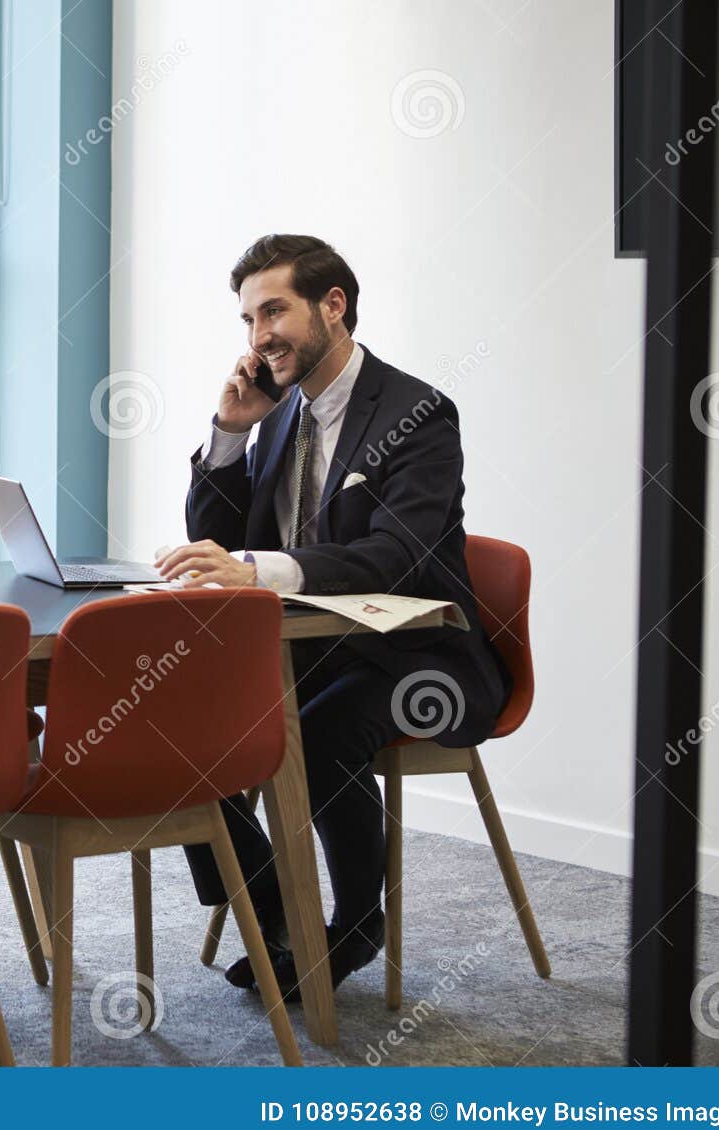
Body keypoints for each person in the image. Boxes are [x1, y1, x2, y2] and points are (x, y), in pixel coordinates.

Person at [156, 233, 509, 997]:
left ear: (333, 306)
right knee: (182, 713)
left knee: (315, 735)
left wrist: (257, 571)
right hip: (311, 650)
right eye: (248, 320)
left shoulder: (417, 412)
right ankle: (280, 905)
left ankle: (353, 921)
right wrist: (230, 434)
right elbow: (219, 534)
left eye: (274, 311)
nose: (259, 337)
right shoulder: (280, 414)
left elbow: (395, 555)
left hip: (419, 657)